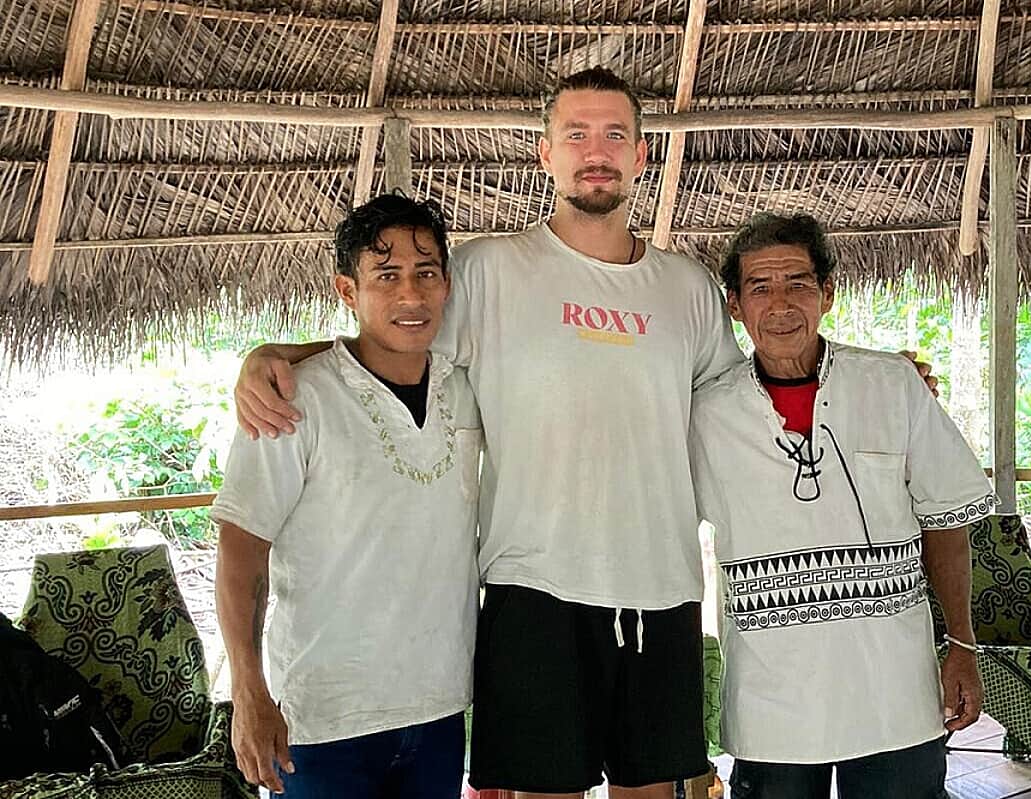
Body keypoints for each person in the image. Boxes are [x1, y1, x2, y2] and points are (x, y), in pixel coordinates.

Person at [232, 68, 939, 799]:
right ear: (546, 155)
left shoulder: (687, 287)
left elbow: (750, 392)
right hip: (532, 591)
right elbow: (396, 334)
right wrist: (281, 356)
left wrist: (874, 376)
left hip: (660, 595)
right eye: (576, 134)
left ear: (639, 156)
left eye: (613, 135)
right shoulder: (486, 271)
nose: (594, 150)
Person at [688, 212, 995, 799]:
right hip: (771, 705)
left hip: (897, 697)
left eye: (798, 283)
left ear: (828, 293)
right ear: (734, 305)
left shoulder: (893, 386)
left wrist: (961, 644)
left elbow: (945, 521)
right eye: (760, 287)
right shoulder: (704, 413)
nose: (780, 304)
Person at [213, 194, 481, 798]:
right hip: (320, 720)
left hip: (438, 709)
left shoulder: (466, 387)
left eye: (426, 272)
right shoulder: (291, 401)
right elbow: (241, 548)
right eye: (386, 276)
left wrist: (272, 350)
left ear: (446, 283)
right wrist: (248, 694)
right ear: (346, 290)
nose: (410, 295)